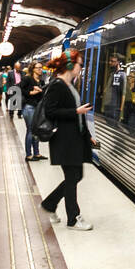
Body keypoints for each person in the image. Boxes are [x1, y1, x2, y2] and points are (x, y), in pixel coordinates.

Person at [39, 51, 98, 230]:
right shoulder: (57, 85)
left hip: (74, 138)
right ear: (70, 66)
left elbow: (78, 114)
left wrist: (88, 135)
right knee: (73, 177)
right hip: (64, 140)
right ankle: (73, 218)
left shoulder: (70, 85)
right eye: (80, 64)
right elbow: (50, 111)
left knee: (76, 176)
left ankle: (49, 204)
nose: (81, 68)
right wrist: (76, 112)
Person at [19, 63, 46, 162]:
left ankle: (37, 153)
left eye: (41, 68)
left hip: (38, 108)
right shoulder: (27, 79)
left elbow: (42, 95)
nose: (40, 69)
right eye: (38, 68)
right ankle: (29, 155)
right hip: (29, 107)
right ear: (33, 69)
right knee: (30, 130)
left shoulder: (41, 81)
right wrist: (31, 92)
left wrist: (41, 90)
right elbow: (20, 89)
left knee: (36, 131)